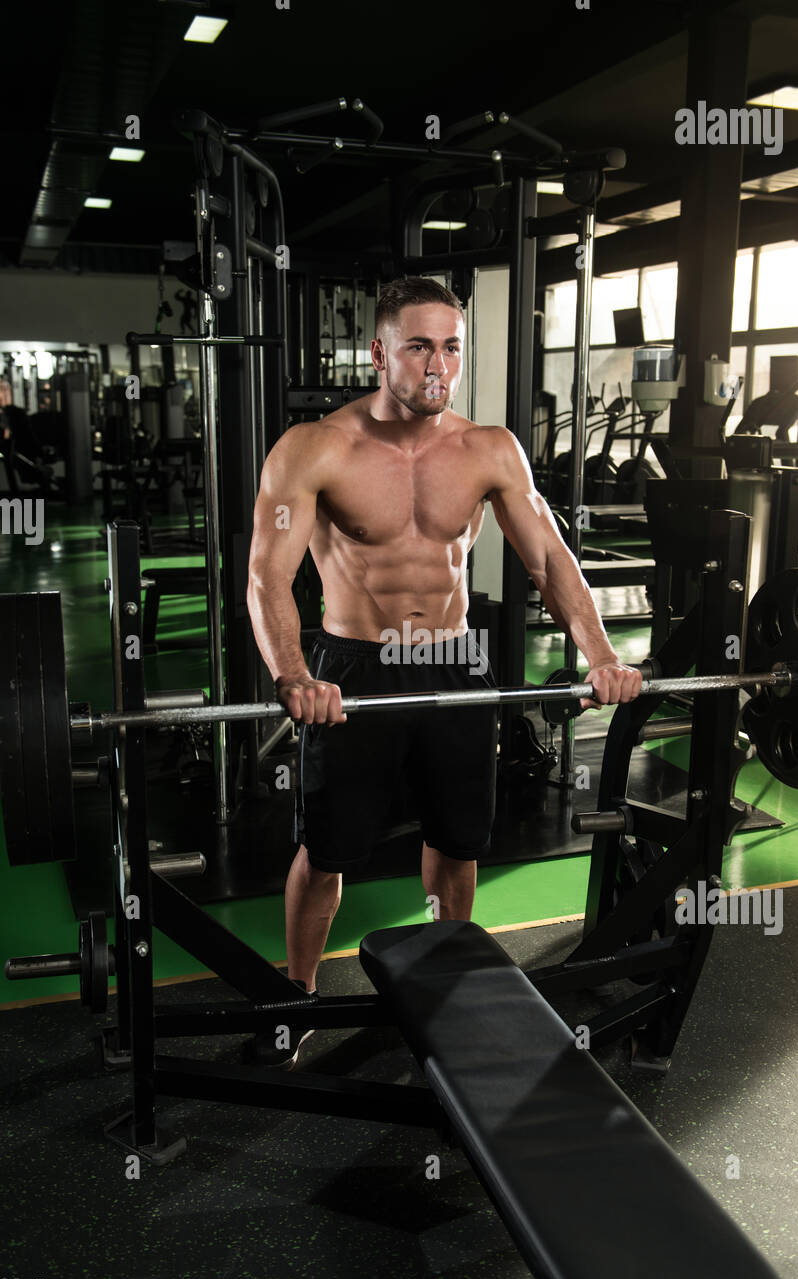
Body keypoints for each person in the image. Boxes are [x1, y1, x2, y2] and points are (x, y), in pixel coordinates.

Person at [247, 276, 642, 1065]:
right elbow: (267, 576)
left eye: (451, 347)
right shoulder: (315, 447)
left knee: (456, 842)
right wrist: (294, 677)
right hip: (353, 669)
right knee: (327, 852)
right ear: (378, 352)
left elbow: (550, 560)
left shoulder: (487, 448)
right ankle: (294, 998)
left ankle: (446, 982)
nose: (437, 365)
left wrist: (600, 651)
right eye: (419, 345)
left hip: (456, 665)